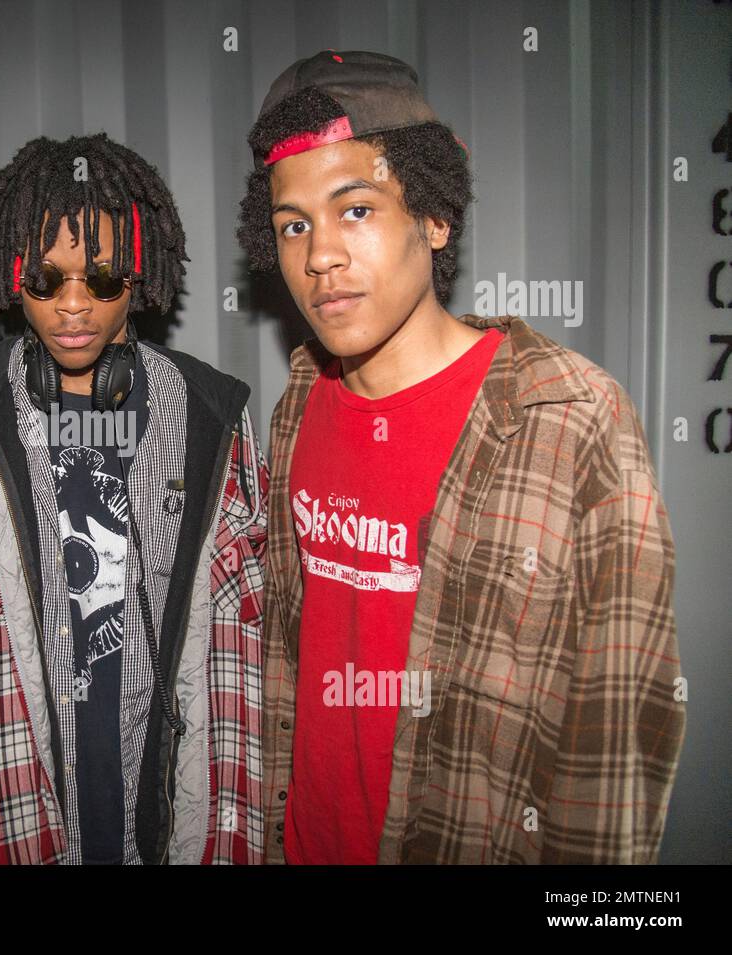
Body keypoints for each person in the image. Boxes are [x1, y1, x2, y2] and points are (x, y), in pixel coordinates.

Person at [239, 50, 685, 864]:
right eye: (293, 224)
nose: (320, 256)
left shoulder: (571, 419)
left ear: (435, 217)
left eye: (358, 210)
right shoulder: (300, 403)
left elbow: (616, 744)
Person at [0, 133, 269, 863]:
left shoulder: (209, 421)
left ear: (143, 274)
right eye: (46, 281)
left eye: (104, 279)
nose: (74, 306)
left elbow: (238, 668)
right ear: (9, 277)